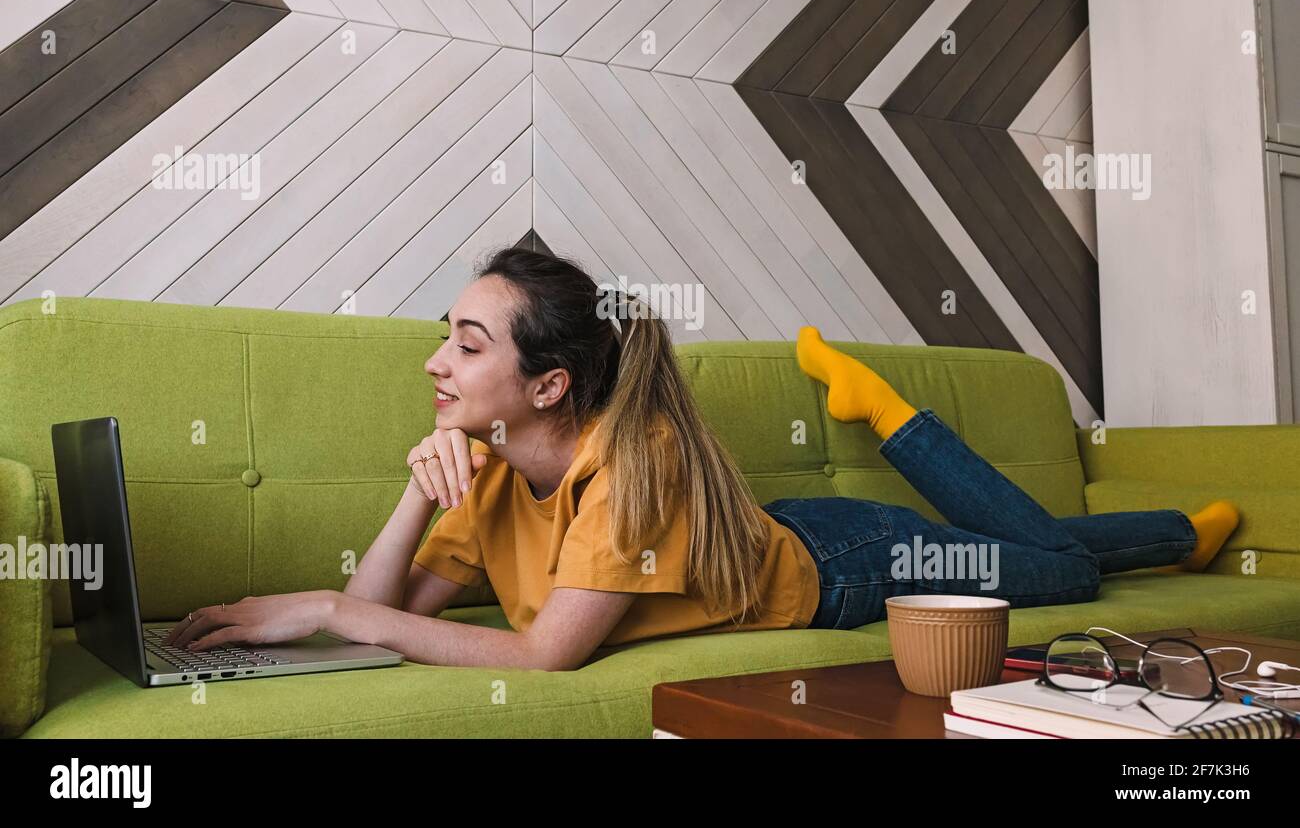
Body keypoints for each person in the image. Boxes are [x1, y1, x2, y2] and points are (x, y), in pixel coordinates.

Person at [169, 247, 1240, 668]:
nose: (433, 361)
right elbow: (390, 604)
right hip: (795, 539)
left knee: (1061, 568)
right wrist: (416, 489)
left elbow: (548, 656)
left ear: (549, 384)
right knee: (1050, 550)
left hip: (852, 562)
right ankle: (1179, 531)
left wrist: (329, 607)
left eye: (465, 341)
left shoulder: (633, 462)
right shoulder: (487, 461)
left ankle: (891, 412)